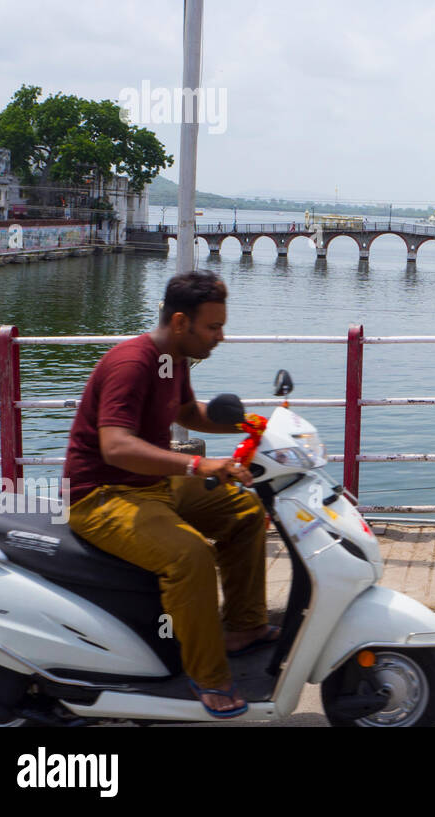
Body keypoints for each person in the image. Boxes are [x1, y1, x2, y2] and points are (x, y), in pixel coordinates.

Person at [63, 271, 278, 718]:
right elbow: (116, 446)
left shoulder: (173, 359)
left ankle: (244, 627)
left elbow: (184, 411)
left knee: (244, 509)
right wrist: (198, 464)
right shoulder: (132, 363)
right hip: (101, 495)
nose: (221, 336)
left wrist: (252, 423)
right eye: (213, 327)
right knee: (190, 556)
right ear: (181, 322)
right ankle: (208, 678)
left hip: (152, 486)